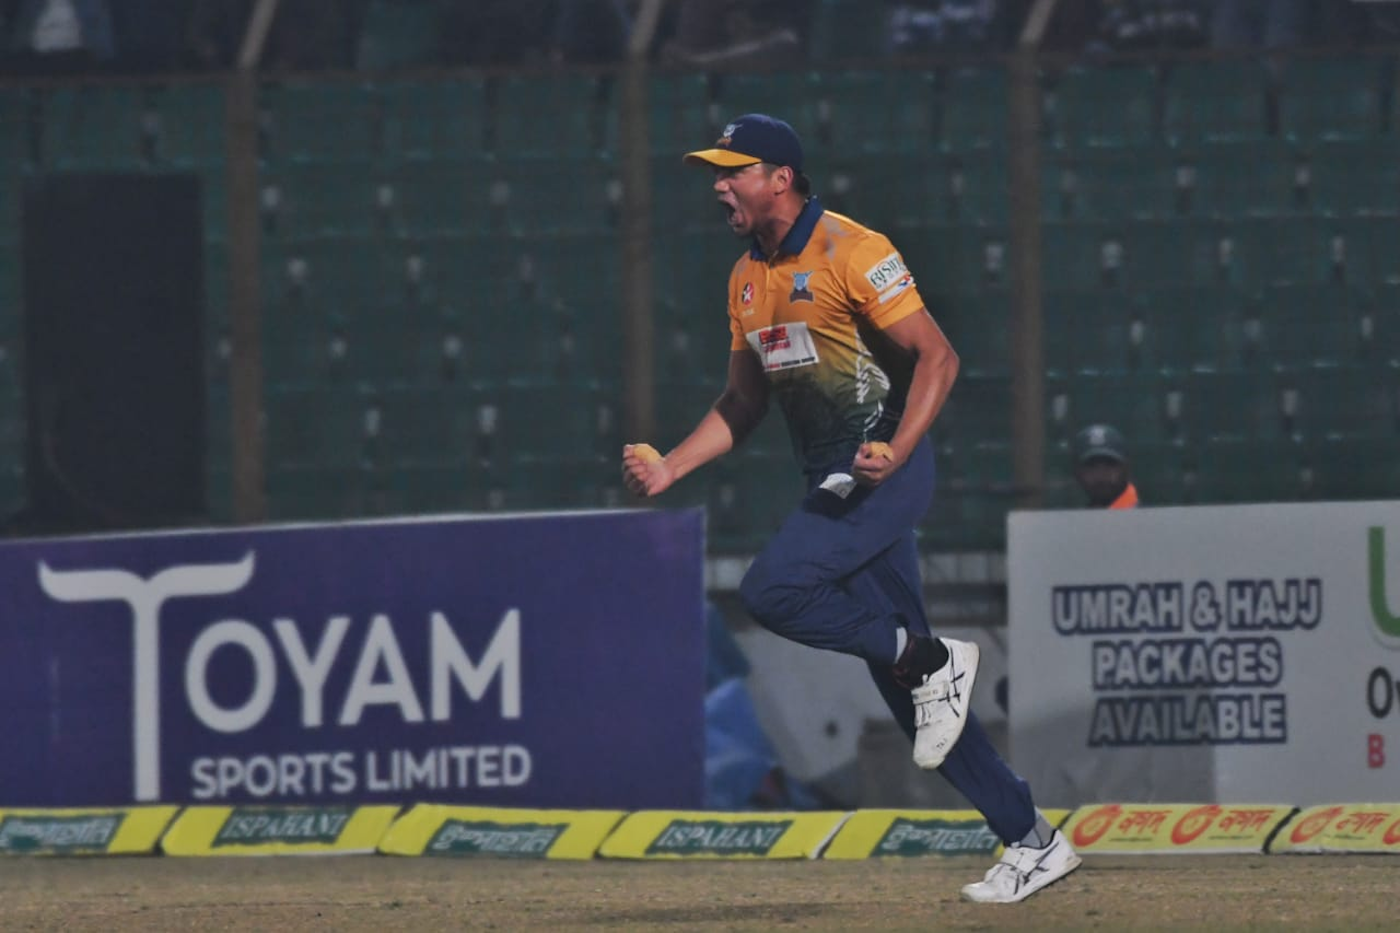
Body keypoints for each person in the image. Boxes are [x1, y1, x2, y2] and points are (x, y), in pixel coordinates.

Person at [621, 113, 1080, 903]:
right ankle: (1033, 839)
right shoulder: (744, 278)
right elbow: (741, 400)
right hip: (833, 480)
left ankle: (935, 657)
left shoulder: (853, 248)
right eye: (715, 171)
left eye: (734, 170)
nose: (719, 184)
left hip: (880, 469)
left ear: (782, 178)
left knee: (773, 590)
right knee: (910, 703)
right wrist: (671, 465)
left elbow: (940, 355)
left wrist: (896, 449)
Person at [1072, 422, 1139, 509]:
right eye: (1092, 465)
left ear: (1126, 469)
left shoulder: (1148, 517)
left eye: (1110, 464)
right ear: (1078, 473)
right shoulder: (1076, 518)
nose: (1101, 474)